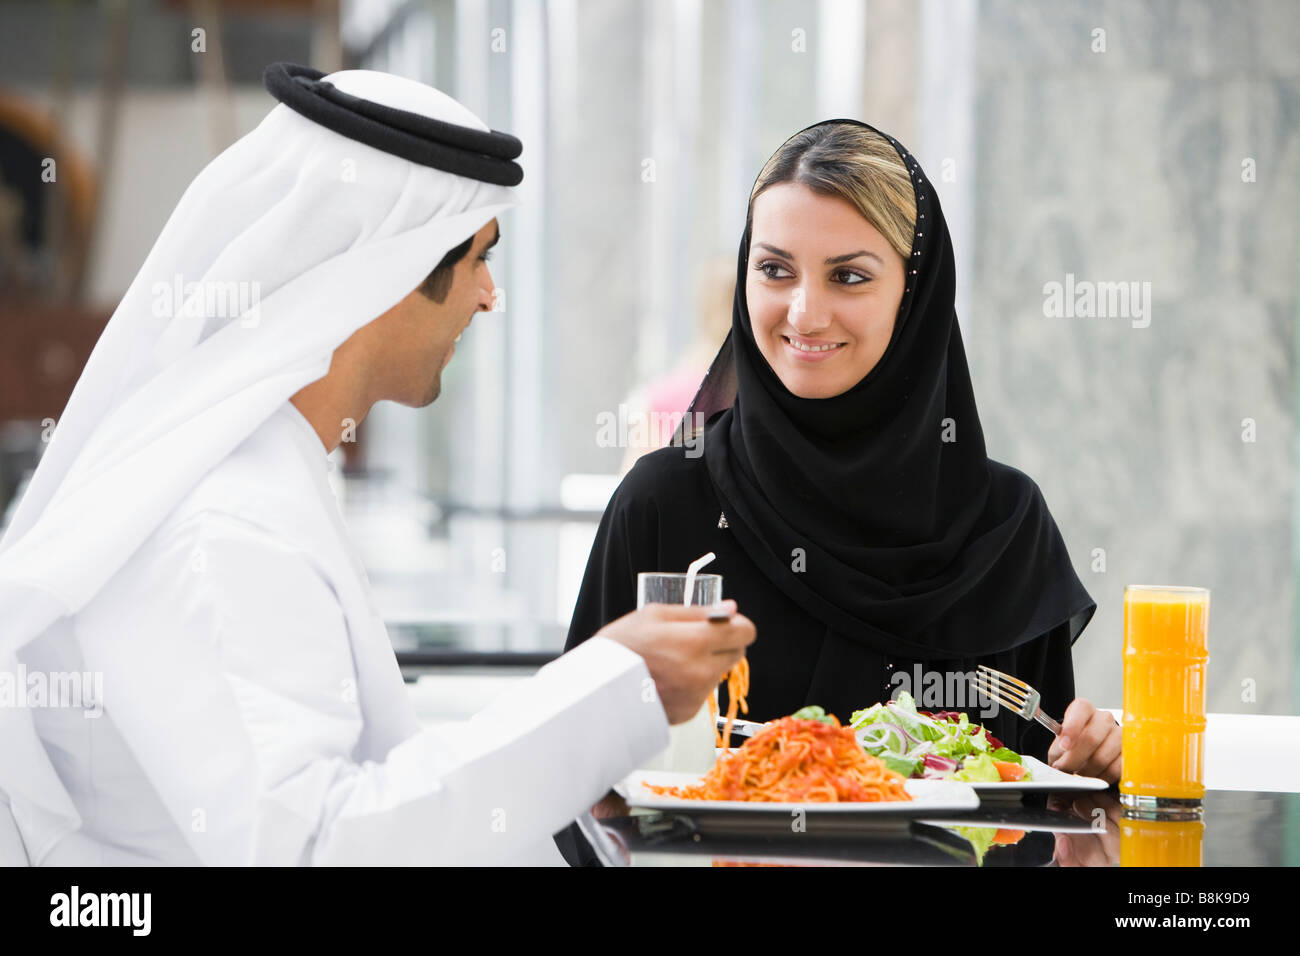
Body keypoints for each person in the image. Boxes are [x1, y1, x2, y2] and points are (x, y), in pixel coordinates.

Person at [0, 63, 754, 866]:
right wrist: (615, 686)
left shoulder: (267, 474)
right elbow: (318, 846)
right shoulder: (224, 526)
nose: (489, 298)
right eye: (478, 260)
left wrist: (591, 732)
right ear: (393, 266)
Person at [565, 120, 1119, 789]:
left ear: (916, 297)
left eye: (848, 277)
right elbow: (576, 787)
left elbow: (1033, 796)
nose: (803, 313)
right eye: (774, 269)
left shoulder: (1003, 527)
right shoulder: (664, 504)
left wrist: (1091, 773)